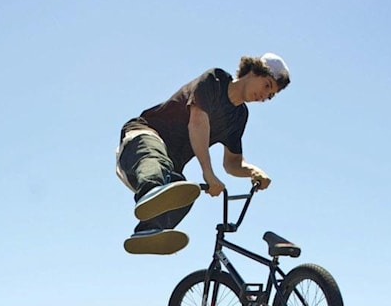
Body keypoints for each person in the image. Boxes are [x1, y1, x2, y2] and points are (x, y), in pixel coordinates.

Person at [115, 53, 291, 255]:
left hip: (167, 169)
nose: (264, 96)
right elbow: (197, 122)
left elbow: (233, 163)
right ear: (253, 71)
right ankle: (151, 190)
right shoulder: (215, 81)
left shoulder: (239, 116)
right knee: (156, 160)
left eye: (270, 96)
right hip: (142, 140)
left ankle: (148, 231)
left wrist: (253, 172)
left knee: (184, 194)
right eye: (267, 85)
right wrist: (208, 173)